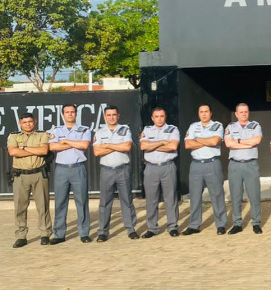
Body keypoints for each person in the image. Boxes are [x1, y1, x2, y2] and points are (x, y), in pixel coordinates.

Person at [93, 106, 138, 242]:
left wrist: (107, 145)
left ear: (118, 116)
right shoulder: (99, 132)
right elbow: (97, 152)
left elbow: (127, 147)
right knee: (105, 202)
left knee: (127, 200)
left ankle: (131, 229)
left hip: (122, 169)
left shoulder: (125, 129)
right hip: (107, 170)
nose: (111, 117)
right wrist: (117, 146)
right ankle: (103, 232)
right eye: (109, 115)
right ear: (104, 117)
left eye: (114, 115)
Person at [49, 104, 92, 243]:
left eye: (72, 112)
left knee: (82, 201)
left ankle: (84, 233)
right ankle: (59, 234)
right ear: (63, 115)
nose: (70, 114)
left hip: (78, 168)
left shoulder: (84, 129)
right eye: (67, 112)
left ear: (76, 114)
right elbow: (52, 146)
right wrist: (75, 143)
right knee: (60, 202)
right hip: (61, 169)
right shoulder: (56, 130)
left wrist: (65, 141)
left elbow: (84, 145)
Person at [7, 113, 50, 248]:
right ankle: (21, 236)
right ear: (20, 123)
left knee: (43, 206)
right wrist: (35, 150)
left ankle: (45, 234)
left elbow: (44, 151)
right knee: (20, 207)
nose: (27, 124)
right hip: (20, 175)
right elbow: (13, 152)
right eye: (24, 122)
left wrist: (23, 148)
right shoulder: (14, 136)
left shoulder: (42, 135)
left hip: (38, 174)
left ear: (35, 122)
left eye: (30, 122)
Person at [183, 104, 227, 235]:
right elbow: (187, 144)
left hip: (212, 163)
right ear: (198, 113)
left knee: (217, 195)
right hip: (196, 165)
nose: (203, 114)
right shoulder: (193, 126)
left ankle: (221, 224)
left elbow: (215, 142)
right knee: (195, 196)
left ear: (211, 113)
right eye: (201, 112)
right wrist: (206, 141)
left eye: (206, 111)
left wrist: (196, 139)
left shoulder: (217, 125)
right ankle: (194, 225)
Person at [140, 107, 180, 238]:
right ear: (152, 118)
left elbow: (173, 146)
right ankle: (152, 228)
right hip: (151, 168)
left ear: (165, 117)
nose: (159, 119)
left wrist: (152, 146)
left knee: (170, 198)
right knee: (151, 200)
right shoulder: (147, 130)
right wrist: (162, 142)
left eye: (162, 116)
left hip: (168, 166)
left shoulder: (173, 129)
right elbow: (143, 146)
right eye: (156, 116)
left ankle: (172, 227)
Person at [225, 103, 263, 234]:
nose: (244, 114)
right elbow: (228, 143)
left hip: (250, 164)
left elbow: (256, 141)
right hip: (235, 165)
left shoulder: (255, 125)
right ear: (236, 114)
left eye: (246, 111)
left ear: (248, 112)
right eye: (241, 112)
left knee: (254, 195)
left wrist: (238, 141)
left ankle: (256, 223)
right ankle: (237, 224)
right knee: (235, 195)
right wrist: (248, 143)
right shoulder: (230, 127)